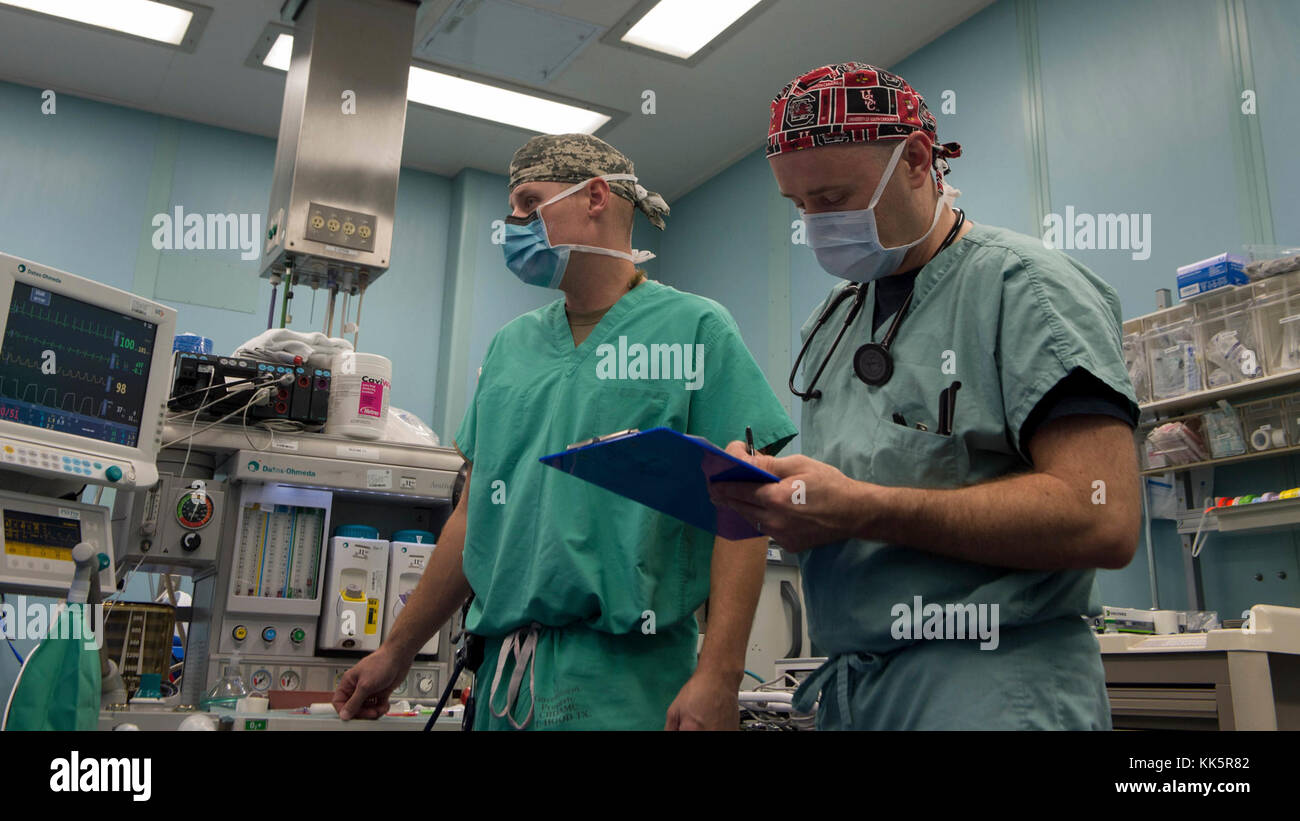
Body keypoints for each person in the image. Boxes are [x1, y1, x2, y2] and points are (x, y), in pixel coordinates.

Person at [709, 63, 1141, 730]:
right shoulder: (834, 320)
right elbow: (859, 493)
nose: (814, 225)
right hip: (856, 688)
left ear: (915, 161)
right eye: (798, 208)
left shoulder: (1025, 289)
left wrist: (861, 510)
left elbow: (1102, 517)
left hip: (991, 683)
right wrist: (773, 497)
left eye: (830, 200)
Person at [333, 133, 797, 730]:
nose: (514, 223)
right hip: (501, 679)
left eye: (529, 202)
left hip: (627, 681)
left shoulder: (694, 328)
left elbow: (746, 507)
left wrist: (720, 674)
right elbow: (473, 518)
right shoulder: (510, 348)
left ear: (596, 196)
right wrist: (396, 651)